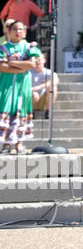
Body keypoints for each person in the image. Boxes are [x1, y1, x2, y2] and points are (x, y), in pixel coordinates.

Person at [0, 19, 39, 153]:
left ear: (25, 32)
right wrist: (19, 68)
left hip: (23, 85)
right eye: (15, 29)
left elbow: (32, 64)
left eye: (20, 29)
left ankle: (19, 144)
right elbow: (2, 66)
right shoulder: (4, 47)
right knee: (7, 108)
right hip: (7, 84)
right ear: (9, 32)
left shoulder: (29, 47)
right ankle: (6, 144)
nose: (18, 32)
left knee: (21, 109)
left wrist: (11, 62)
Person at [30, 51, 58, 120]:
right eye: (35, 60)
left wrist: (39, 87)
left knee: (53, 87)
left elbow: (55, 81)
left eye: (39, 59)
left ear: (44, 60)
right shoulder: (27, 72)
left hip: (44, 100)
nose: (37, 62)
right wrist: (33, 92)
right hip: (30, 99)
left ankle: (48, 111)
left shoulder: (48, 72)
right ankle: (30, 112)